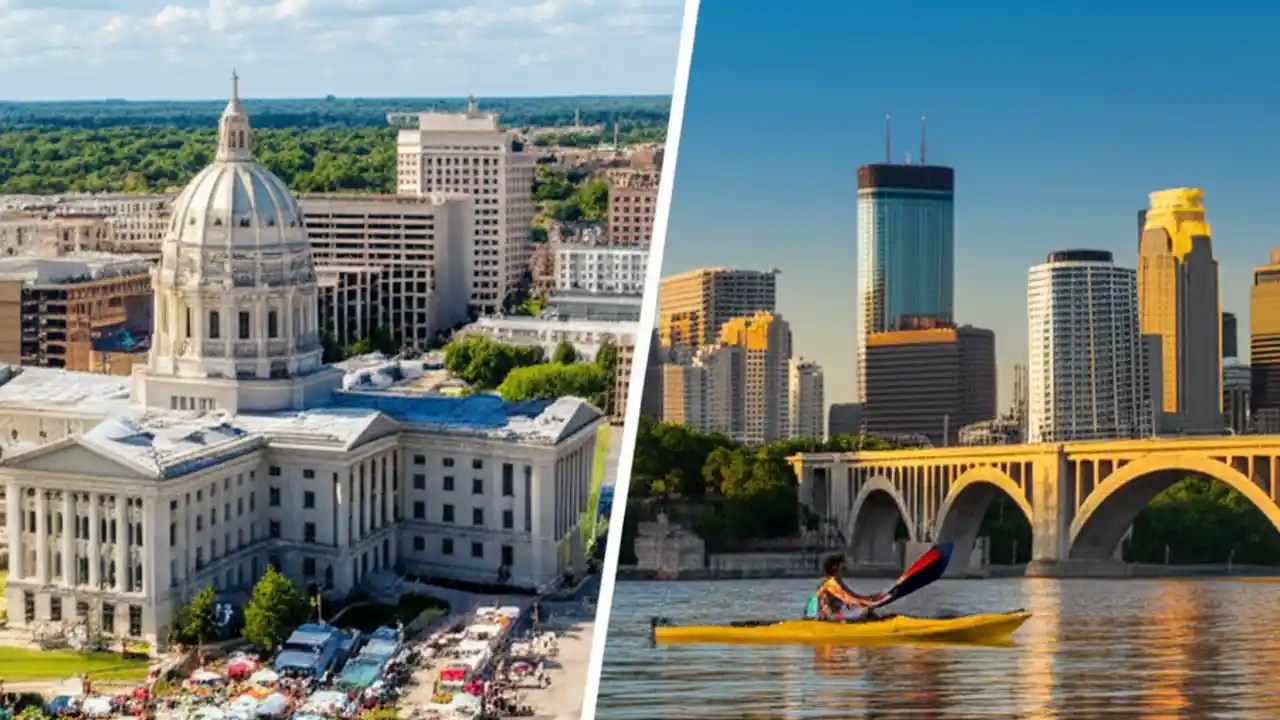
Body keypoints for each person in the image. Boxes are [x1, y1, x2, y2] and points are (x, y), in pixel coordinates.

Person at [805, 553, 886, 622]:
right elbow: (850, 599)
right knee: (866, 610)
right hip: (832, 618)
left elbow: (852, 595)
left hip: (834, 616)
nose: (844, 570)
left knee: (868, 611)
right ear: (835, 568)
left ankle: (881, 622)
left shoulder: (837, 582)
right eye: (842, 568)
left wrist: (871, 598)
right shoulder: (830, 584)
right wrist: (872, 602)